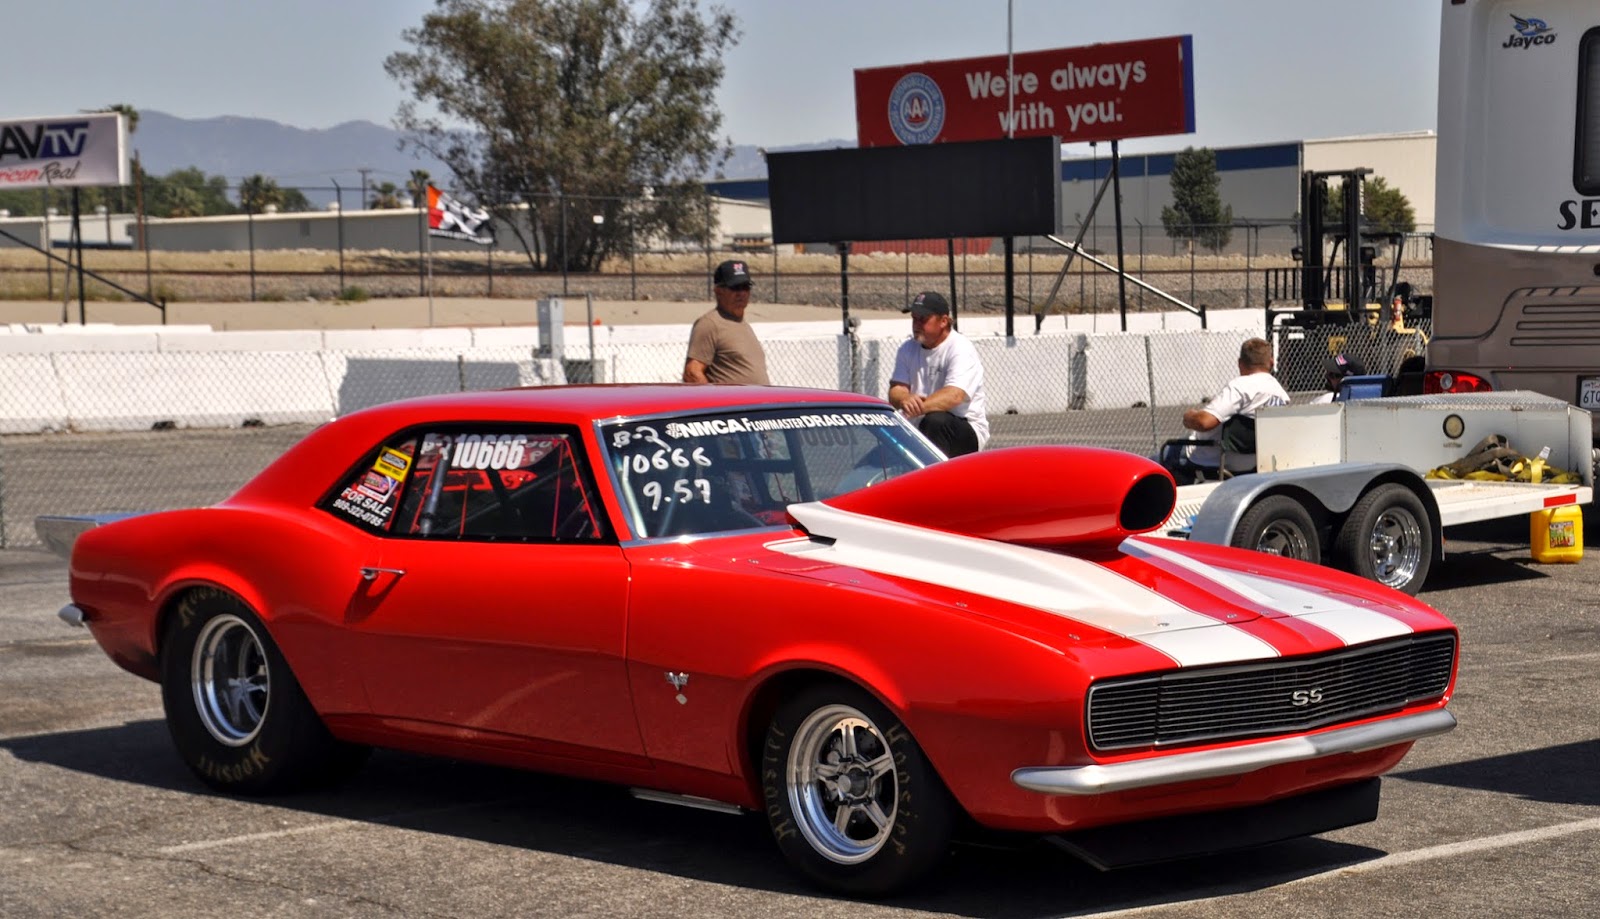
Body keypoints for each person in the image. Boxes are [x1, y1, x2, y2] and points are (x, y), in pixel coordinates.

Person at [1164, 337, 1288, 481]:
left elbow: (1204, 422)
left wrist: (1189, 416)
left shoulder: (1241, 387)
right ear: (1271, 363)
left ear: (1240, 363)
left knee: (1153, 462)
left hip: (1210, 459)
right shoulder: (1282, 395)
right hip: (1255, 462)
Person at [888, 291, 988, 457]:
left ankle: (935, 480)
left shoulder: (960, 348)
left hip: (963, 429)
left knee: (936, 421)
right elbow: (896, 390)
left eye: (923, 319)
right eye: (914, 318)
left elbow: (954, 395)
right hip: (920, 424)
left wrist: (915, 409)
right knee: (882, 441)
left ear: (943, 321)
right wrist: (904, 399)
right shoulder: (907, 349)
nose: (916, 324)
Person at [683, 260, 769, 384]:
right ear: (718, 291)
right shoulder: (710, 324)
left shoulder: (743, 325)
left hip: (759, 402)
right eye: (735, 287)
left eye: (746, 287)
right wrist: (715, 400)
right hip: (735, 403)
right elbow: (692, 373)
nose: (742, 293)